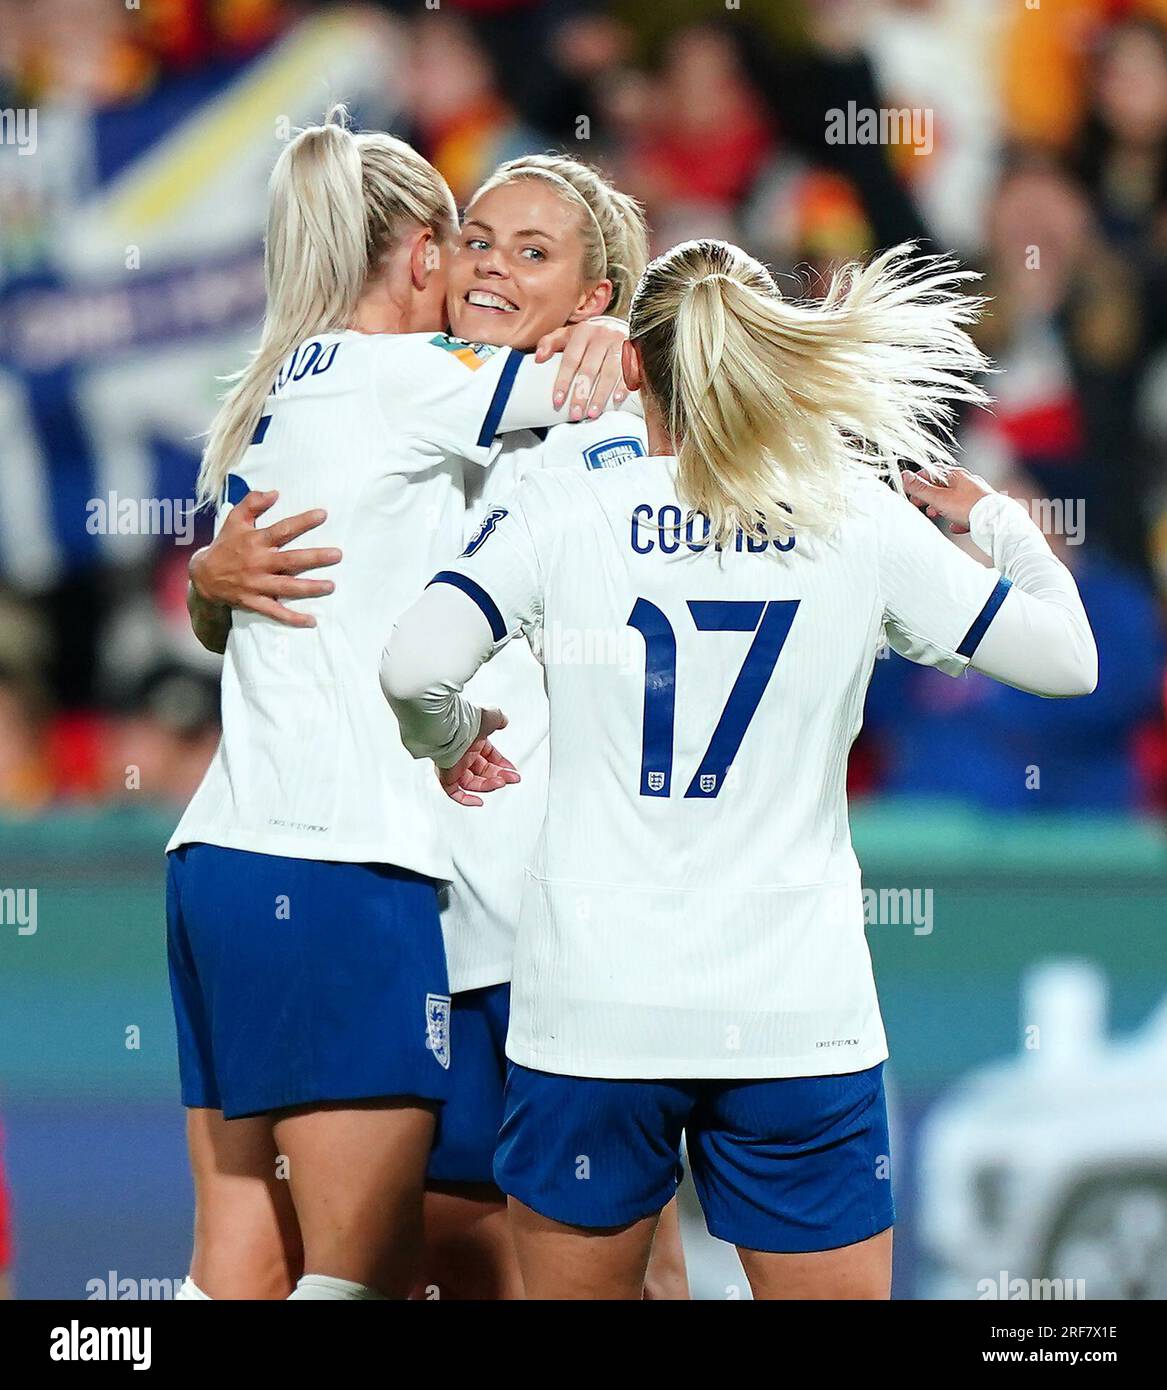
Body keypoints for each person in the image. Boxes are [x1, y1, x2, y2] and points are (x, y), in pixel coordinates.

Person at [381, 238, 1098, 1299]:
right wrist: (990, 514)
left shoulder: (562, 501)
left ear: (637, 367)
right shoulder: (854, 514)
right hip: (793, 1012)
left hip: (595, 1008)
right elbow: (1070, 661)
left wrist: (450, 742)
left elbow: (412, 665)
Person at [188, 152, 690, 1299]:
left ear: (593, 297)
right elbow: (252, 595)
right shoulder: (404, 389)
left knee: (625, 1258)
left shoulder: (617, 428)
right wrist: (211, 581)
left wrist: (642, 362)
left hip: (558, 917)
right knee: (431, 1253)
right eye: (478, 238)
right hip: (415, 902)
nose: (491, 266)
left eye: (533, 251)